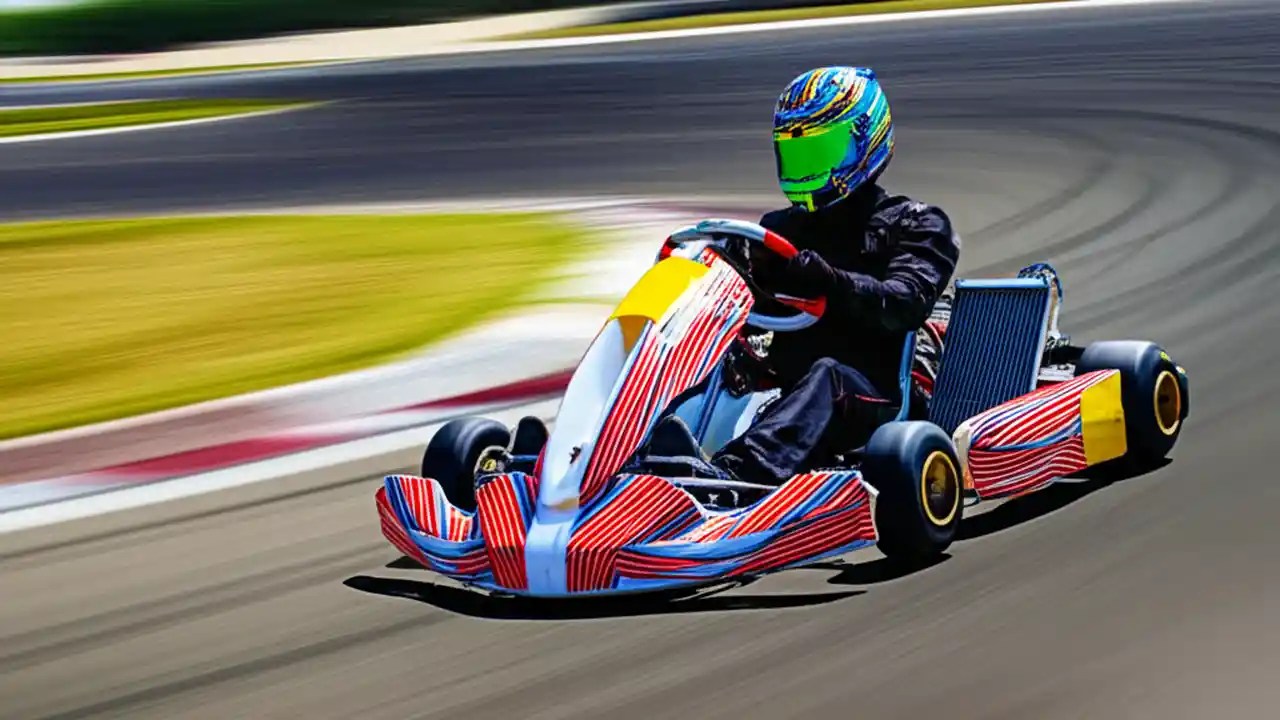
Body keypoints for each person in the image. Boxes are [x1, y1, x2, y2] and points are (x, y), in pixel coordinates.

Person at [652, 66, 961, 487]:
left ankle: (737, 475)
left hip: (873, 398)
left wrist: (828, 281)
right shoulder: (778, 229)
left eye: (820, 151)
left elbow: (904, 304)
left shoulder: (917, 224)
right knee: (702, 361)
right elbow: (750, 311)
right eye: (797, 154)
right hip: (785, 390)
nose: (806, 167)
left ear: (863, 141)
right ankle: (631, 456)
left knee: (826, 375)